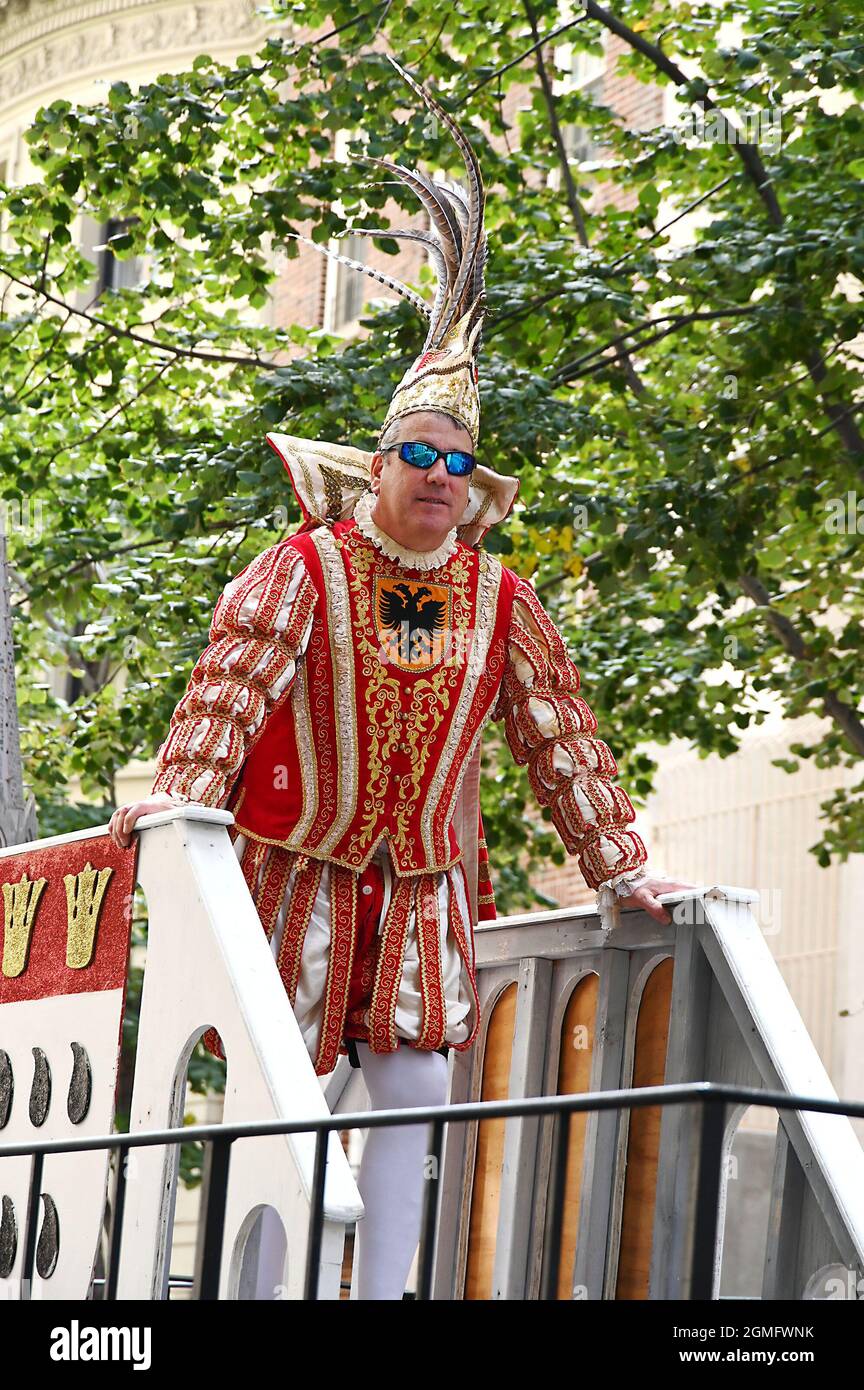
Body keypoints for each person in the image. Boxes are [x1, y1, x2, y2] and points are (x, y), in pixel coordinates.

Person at [109, 57, 692, 1299]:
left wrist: (622, 863)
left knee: (416, 1096)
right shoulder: (302, 567)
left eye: (457, 463)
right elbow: (228, 693)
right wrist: (175, 798)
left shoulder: (503, 599)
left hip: (421, 892)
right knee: (275, 1103)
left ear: (474, 490)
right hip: (292, 878)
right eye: (417, 452)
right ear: (376, 464)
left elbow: (560, 737)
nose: (436, 473)